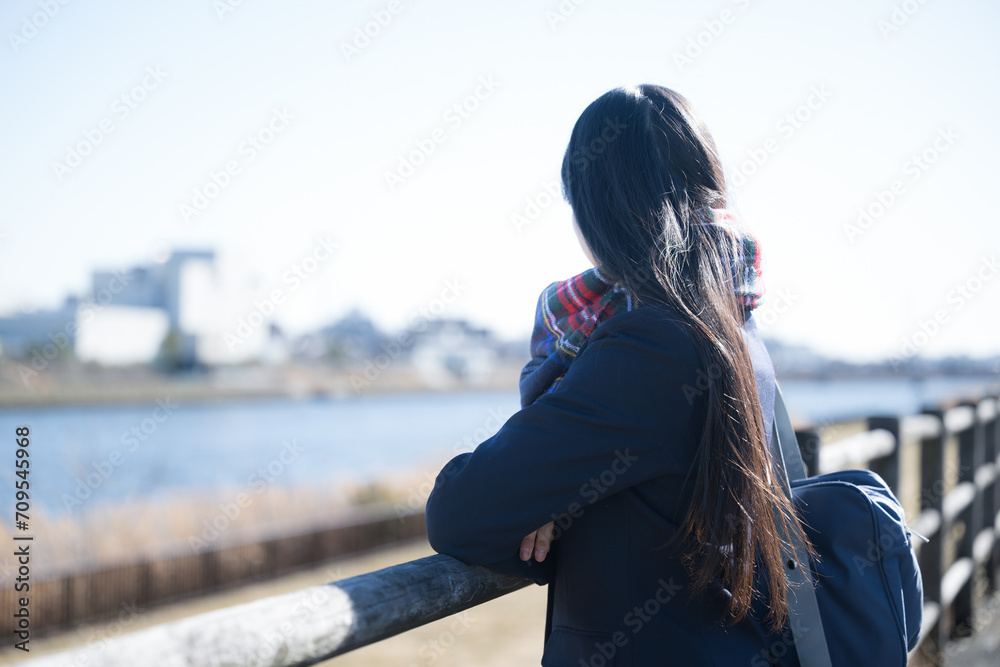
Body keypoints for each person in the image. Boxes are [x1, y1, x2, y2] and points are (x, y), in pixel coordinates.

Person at [425, 84, 811, 666]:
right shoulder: (731, 327)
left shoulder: (649, 344)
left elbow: (462, 512)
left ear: (597, 212)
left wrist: (546, 508)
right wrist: (557, 500)